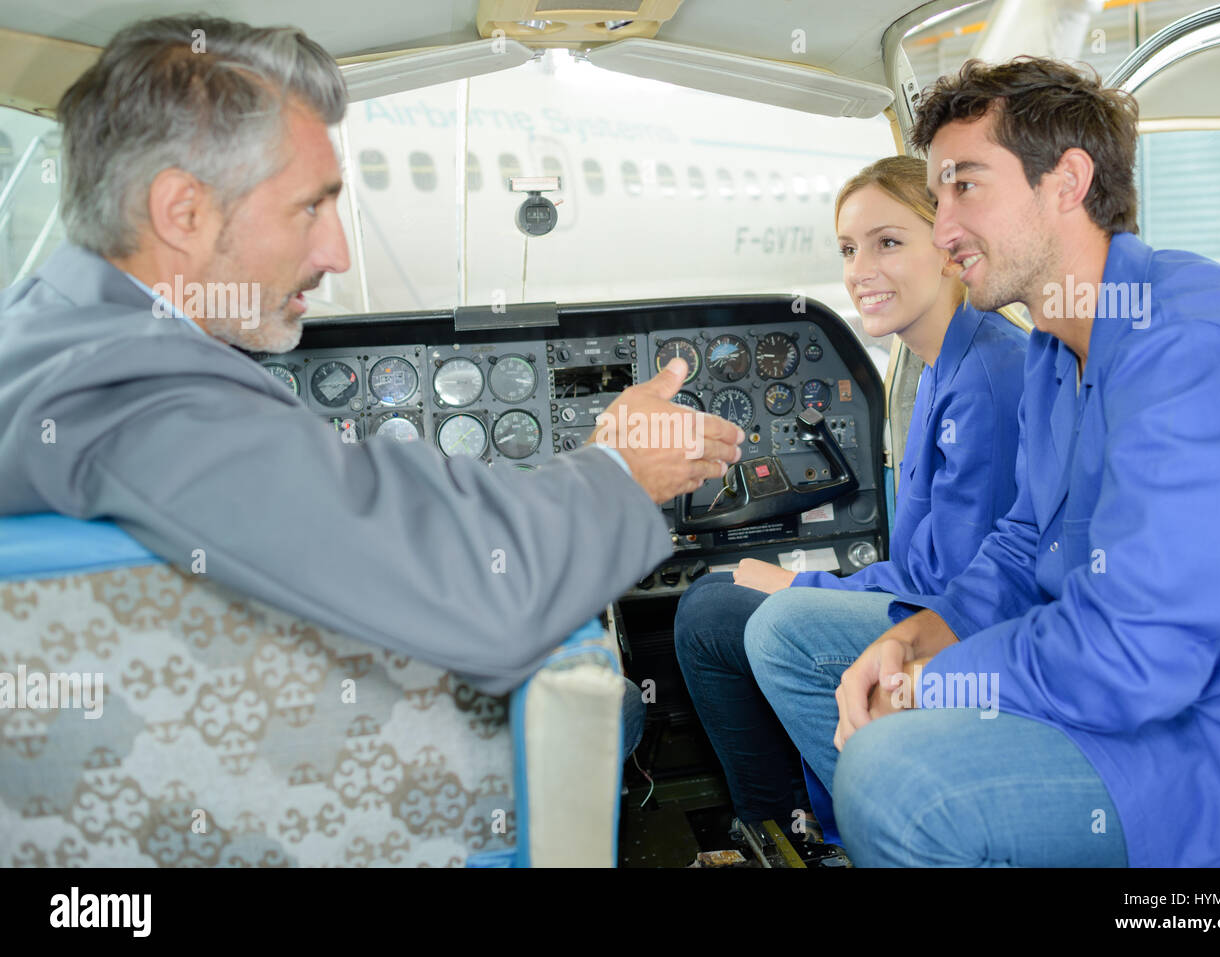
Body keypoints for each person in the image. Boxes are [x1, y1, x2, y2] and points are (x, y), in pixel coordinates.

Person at [0, 17, 745, 696]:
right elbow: (486, 598)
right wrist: (622, 466)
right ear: (182, 211)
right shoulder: (137, 392)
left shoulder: (51, 332)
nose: (336, 251)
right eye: (309, 207)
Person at [751, 56, 1220, 867]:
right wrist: (918, 638)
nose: (942, 229)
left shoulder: (1193, 353)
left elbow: (1136, 654)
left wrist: (938, 682)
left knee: (898, 781)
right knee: (801, 646)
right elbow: (1020, 546)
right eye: (938, 196)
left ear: (1067, 181)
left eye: (966, 187)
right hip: (1108, 681)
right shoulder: (1054, 344)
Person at [673, 155, 1027, 836]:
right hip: (932, 599)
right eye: (847, 249)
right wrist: (813, 580)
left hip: (959, 634)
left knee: (714, 612)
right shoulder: (937, 368)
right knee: (712, 601)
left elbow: (954, 591)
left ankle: (825, 826)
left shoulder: (984, 376)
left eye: (887, 242)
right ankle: (782, 824)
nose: (859, 269)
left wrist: (800, 586)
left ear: (952, 247)